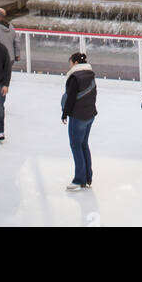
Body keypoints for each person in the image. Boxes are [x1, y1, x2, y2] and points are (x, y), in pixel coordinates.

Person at [61, 50, 97, 190]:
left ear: (75, 63)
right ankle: (88, 178)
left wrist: (65, 114)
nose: (69, 66)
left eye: (70, 63)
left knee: (76, 145)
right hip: (90, 114)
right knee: (83, 145)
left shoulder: (75, 77)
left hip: (78, 116)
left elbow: (70, 98)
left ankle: (79, 179)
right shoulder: (90, 74)